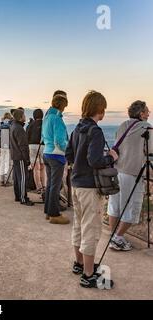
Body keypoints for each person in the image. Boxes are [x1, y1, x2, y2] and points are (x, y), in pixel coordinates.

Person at [66, 91, 118, 289]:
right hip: (89, 187)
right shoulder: (95, 131)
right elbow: (95, 161)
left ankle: (79, 263)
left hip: (76, 184)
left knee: (78, 225)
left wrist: (79, 165)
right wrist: (111, 157)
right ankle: (88, 275)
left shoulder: (77, 129)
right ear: (100, 109)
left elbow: (69, 154)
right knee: (91, 229)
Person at [108, 101, 152, 251]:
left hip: (117, 170)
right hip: (132, 173)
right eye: (147, 111)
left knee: (115, 206)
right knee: (132, 207)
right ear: (141, 114)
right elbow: (150, 150)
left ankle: (113, 236)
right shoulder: (146, 127)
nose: (149, 113)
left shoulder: (122, 125)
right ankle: (118, 238)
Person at [42, 93, 70, 224]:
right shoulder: (57, 119)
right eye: (65, 105)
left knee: (50, 184)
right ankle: (54, 214)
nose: (65, 108)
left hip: (47, 153)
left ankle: (48, 211)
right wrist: (68, 149)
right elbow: (59, 140)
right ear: (61, 105)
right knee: (55, 185)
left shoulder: (47, 117)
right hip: (55, 154)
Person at [10, 109, 34, 206]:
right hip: (20, 156)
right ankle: (23, 198)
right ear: (20, 117)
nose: (25, 116)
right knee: (23, 177)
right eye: (24, 115)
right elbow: (23, 146)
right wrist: (27, 159)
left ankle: (18, 196)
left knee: (17, 177)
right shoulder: (19, 128)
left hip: (15, 155)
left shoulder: (13, 126)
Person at [27, 109, 46, 194]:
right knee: (43, 168)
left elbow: (27, 136)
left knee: (36, 168)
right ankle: (44, 186)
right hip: (43, 146)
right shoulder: (45, 124)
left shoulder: (31, 125)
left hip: (32, 146)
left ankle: (39, 187)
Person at [0, 112, 13, 186]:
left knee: (2, 163)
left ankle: (1, 179)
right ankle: (8, 179)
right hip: (9, 146)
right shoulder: (11, 125)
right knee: (9, 163)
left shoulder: (1, 125)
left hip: (2, 146)